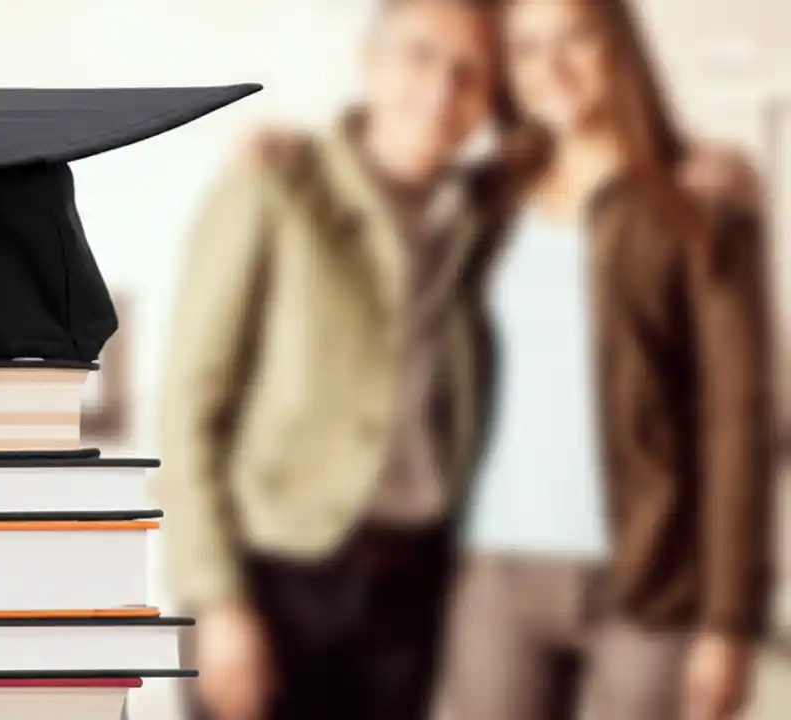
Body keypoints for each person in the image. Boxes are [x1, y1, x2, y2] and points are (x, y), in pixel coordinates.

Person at [155, 1, 498, 718]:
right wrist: (216, 601)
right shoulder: (275, 187)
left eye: (469, 72)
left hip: (413, 597)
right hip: (272, 584)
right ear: (370, 63)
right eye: (420, 56)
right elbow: (189, 405)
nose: (442, 89)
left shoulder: (484, 219)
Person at [444, 1, 774, 719]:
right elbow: (390, 175)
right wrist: (285, 149)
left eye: (576, 39)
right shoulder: (489, 197)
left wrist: (730, 620)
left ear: (618, 45)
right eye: (528, 49)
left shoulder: (700, 199)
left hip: (649, 580)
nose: (552, 67)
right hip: (494, 571)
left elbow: (736, 420)